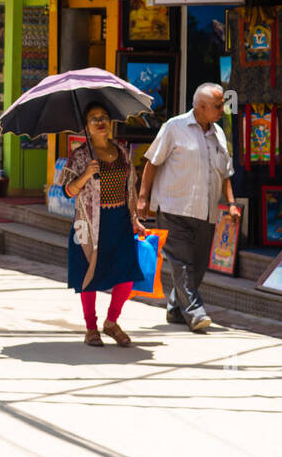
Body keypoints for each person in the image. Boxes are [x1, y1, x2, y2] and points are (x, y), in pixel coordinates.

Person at [137, 83, 239, 332]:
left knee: (198, 266)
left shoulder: (219, 134)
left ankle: (175, 308)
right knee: (181, 264)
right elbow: (152, 162)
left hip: (206, 212)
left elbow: (224, 174)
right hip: (174, 208)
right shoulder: (174, 127)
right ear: (200, 106)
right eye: (217, 106)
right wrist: (142, 197)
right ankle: (195, 313)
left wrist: (232, 203)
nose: (222, 110)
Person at [59, 103, 146, 346]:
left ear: (110, 123)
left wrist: (134, 218)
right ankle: (91, 328)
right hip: (88, 225)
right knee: (89, 275)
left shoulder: (122, 152)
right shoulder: (80, 156)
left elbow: (130, 189)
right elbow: (67, 191)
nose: (100, 122)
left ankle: (111, 322)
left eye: (104, 118)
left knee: (127, 274)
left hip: (118, 221)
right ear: (86, 126)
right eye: (94, 119)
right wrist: (86, 174)